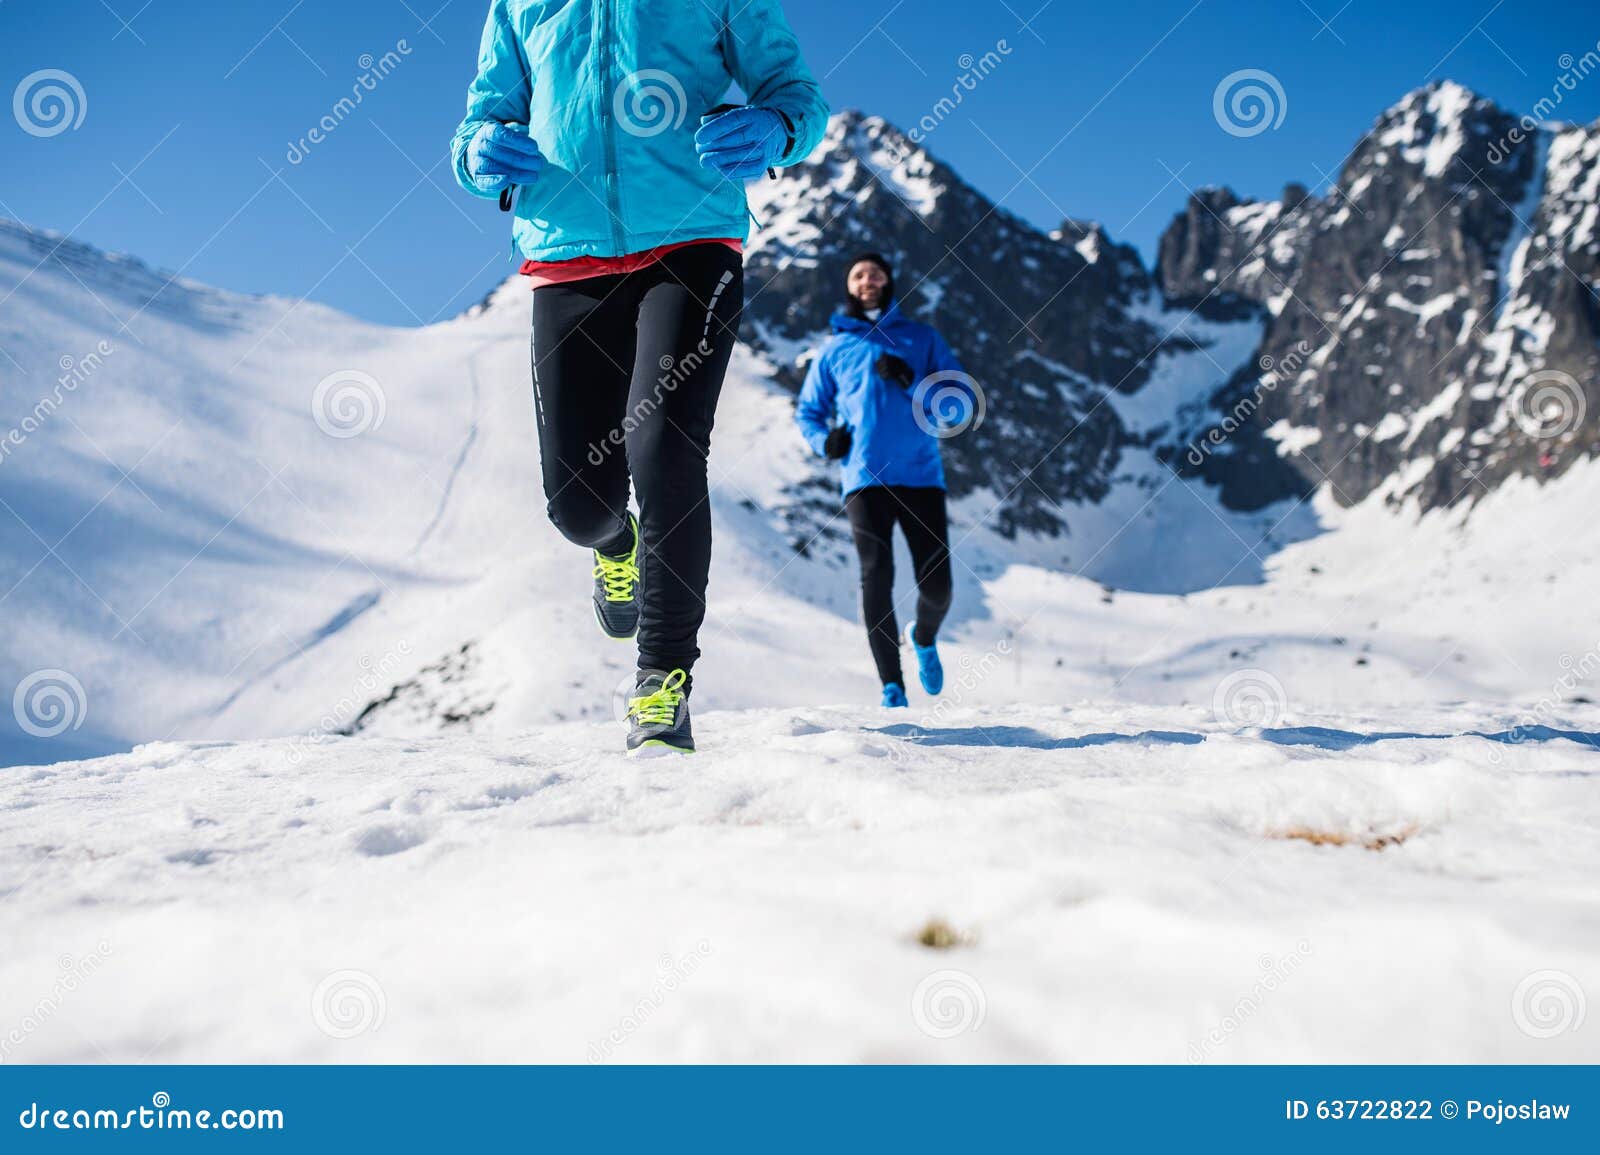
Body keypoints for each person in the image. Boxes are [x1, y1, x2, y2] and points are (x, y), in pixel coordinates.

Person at [450, 1, 827, 756]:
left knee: (664, 445)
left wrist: (777, 129)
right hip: (567, 252)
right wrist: (480, 151)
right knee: (575, 504)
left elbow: (797, 95)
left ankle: (661, 681)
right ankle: (613, 543)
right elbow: (479, 121)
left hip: (689, 240)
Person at [795, 254, 976, 708]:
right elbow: (808, 413)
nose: (867, 280)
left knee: (938, 586)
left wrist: (913, 382)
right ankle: (891, 687)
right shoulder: (834, 350)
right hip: (863, 477)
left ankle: (924, 636)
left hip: (920, 476)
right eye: (858, 275)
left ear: (889, 281)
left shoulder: (921, 338)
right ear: (849, 287)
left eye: (875, 273)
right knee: (877, 576)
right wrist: (825, 441)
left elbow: (959, 403)